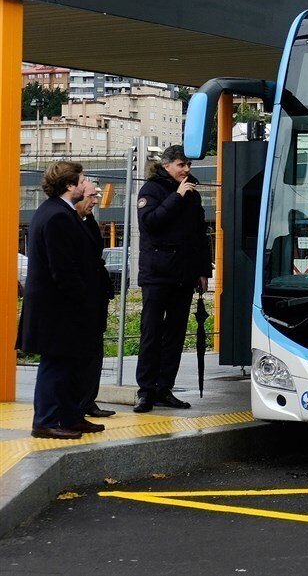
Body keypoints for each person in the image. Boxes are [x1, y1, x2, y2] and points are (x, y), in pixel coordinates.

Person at [18, 163, 111, 439]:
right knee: (56, 364)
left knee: (70, 363)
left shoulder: (60, 212)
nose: (86, 185)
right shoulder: (58, 216)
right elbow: (63, 268)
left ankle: (71, 417)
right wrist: (82, 299)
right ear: (70, 186)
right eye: (82, 180)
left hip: (61, 306)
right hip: (57, 307)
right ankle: (45, 421)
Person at [133, 145, 212, 413]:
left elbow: (199, 235)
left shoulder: (192, 194)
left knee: (175, 335)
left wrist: (203, 271)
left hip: (183, 274)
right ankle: (145, 391)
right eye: (181, 165)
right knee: (151, 333)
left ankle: (164, 388)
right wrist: (176, 197)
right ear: (166, 166)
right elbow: (151, 223)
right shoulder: (151, 189)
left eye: (188, 164)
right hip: (156, 275)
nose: (186, 169)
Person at [75, 179, 116, 419]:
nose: (95, 200)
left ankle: (88, 400)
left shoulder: (87, 221)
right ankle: (77, 404)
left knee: (94, 351)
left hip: (94, 298)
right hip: (80, 299)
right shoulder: (65, 221)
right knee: (78, 354)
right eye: (91, 196)